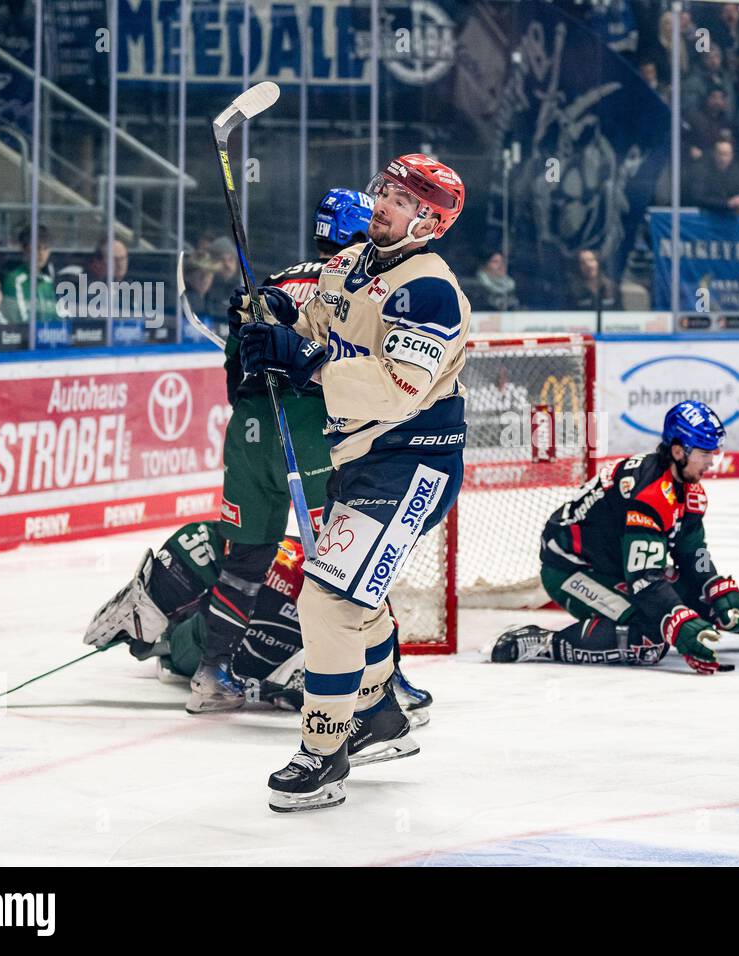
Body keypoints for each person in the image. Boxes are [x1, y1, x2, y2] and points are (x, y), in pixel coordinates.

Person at [235, 154, 469, 813]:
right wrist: (274, 317)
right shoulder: (348, 264)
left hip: (412, 458)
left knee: (330, 602)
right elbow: (316, 330)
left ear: (429, 220)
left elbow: (399, 386)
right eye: (383, 191)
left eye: (399, 199)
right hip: (362, 459)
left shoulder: (429, 290)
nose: (382, 204)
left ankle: (324, 750)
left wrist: (302, 360)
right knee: (355, 600)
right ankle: (380, 717)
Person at [183, 188, 374, 714]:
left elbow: (233, 365)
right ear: (358, 233)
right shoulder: (354, 284)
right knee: (344, 561)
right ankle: (368, 685)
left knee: (244, 564)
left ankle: (210, 675)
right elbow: (355, 368)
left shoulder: (268, 284)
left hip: (249, 431)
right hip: (312, 427)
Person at [485, 401, 739, 670]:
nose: (712, 462)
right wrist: (681, 625)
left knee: (713, 603)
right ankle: (544, 642)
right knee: (649, 640)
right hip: (571, 570)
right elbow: (644, 580)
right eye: (706, 453)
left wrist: (716, 591)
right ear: (679, 450)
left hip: (615, 565)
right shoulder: (649, 492)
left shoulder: (687, 488)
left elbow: (693, 556)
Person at [81, 525, 431, 737]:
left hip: (245, 645)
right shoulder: (305, 575)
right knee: (204, 628)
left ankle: (165, 644)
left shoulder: (367, 614)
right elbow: (205, 539)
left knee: (197, 642)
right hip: (228, 630)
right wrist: (157, 597)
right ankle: (163, 634)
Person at [1, 223, 59, 323]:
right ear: (24, 249)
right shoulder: (14, 280)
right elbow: (19, 321)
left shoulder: (47, 281)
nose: (41, 254)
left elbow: (57, 317)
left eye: (46, 248)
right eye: (37, 248)